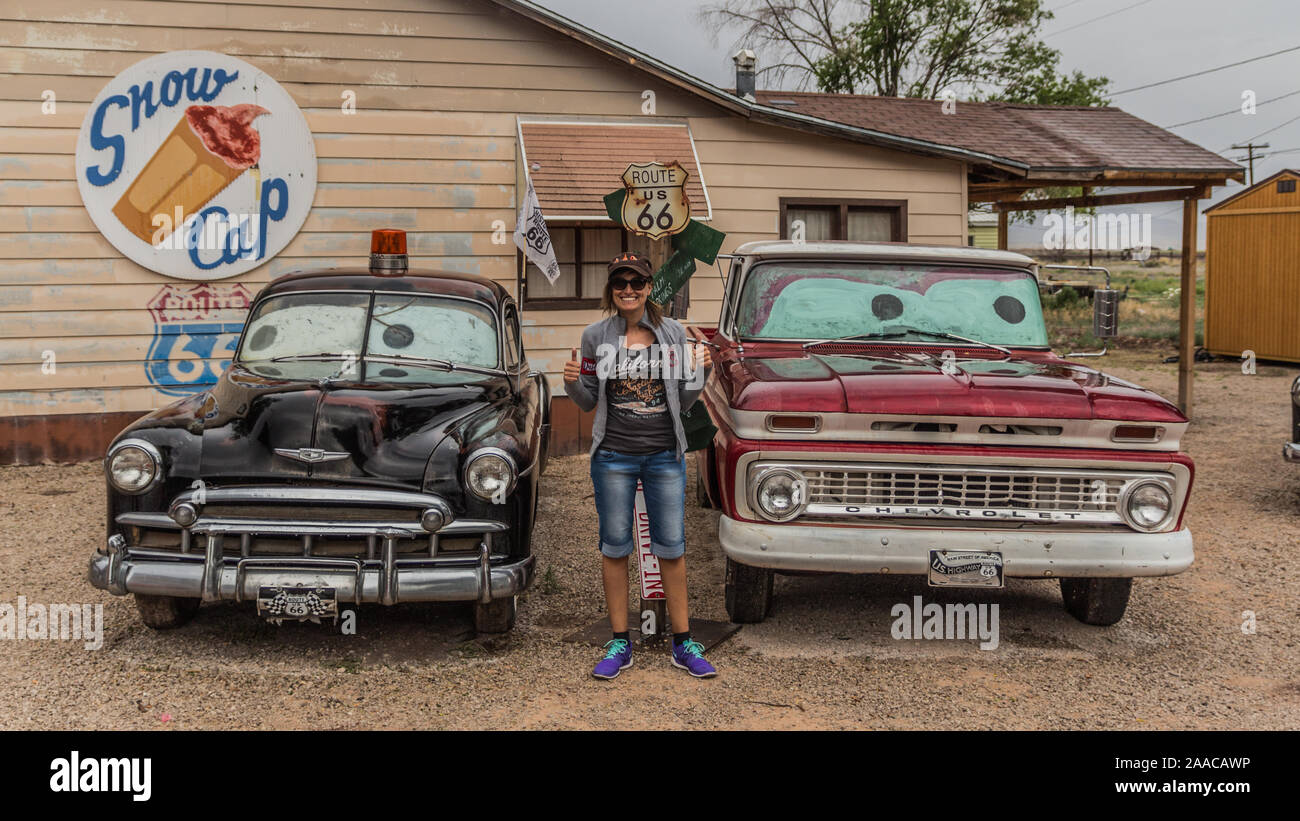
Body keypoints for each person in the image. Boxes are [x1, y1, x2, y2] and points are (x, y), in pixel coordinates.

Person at [563, 251, 716, 679]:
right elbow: (590, 399)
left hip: (664, 455)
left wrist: (700, 373)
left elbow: (683, 400)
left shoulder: (672, 334)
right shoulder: (596, 336)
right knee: (615, 546)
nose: (628, 289)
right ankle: (619, 641)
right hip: (613, 456)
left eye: (636, 282)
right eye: (619, 283)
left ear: (649, 288)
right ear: (611, 291)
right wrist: (571, 382)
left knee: (671, 546)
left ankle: (682, 643)